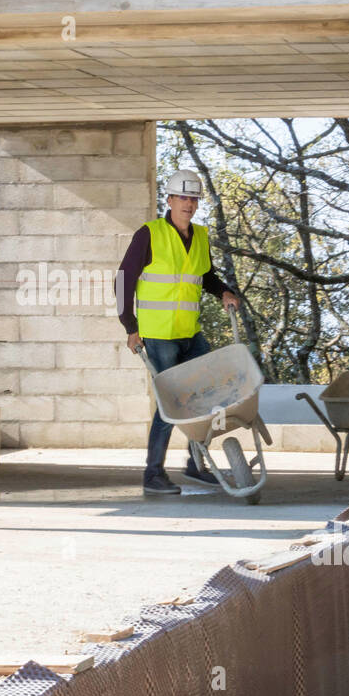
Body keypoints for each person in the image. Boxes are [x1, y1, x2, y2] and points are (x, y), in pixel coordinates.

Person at [118, 169, 243, 496]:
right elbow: (123, 281)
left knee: (206, 395)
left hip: (191, 333)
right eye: (182, 197)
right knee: (171, 404)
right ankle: (153, 474)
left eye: (193, 198)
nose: (188, 204)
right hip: (158, 335)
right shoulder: (150, 234)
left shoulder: (200, 236)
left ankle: (195, 466)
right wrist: (130, 327)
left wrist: (224, 292)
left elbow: (206, 276)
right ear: (169, 200)